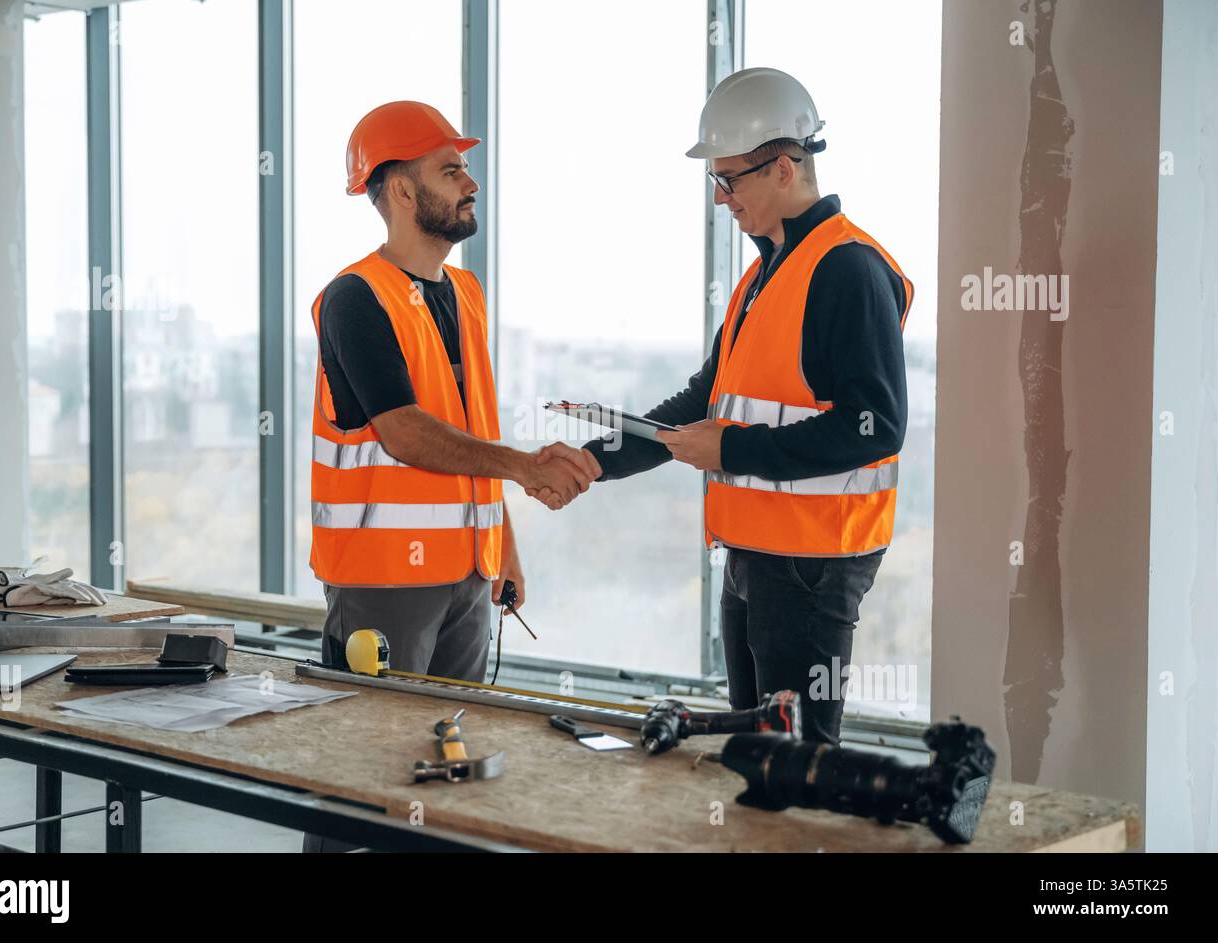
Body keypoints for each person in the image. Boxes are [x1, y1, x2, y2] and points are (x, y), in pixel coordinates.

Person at [535, 68, 913, 745]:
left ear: (784, 167)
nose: (720, 199)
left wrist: (732, 449)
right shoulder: (766, 274)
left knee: (792, 766)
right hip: (756, 557)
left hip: (811, 566)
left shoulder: (847, 271)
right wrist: (596, 459)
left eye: (729, 179)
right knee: (754, 759)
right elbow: (700, 405)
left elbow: (877, 426)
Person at [303, 101, 592, 853]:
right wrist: (526, 468)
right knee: (366, 781)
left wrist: (504, 547)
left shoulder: (464, 293)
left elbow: (471, 430)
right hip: (382, 585)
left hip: (466, 575)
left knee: (443, 768)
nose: (471, 182)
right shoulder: (354, 297)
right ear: (400, 190)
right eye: (450, 169)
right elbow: (403, 431)